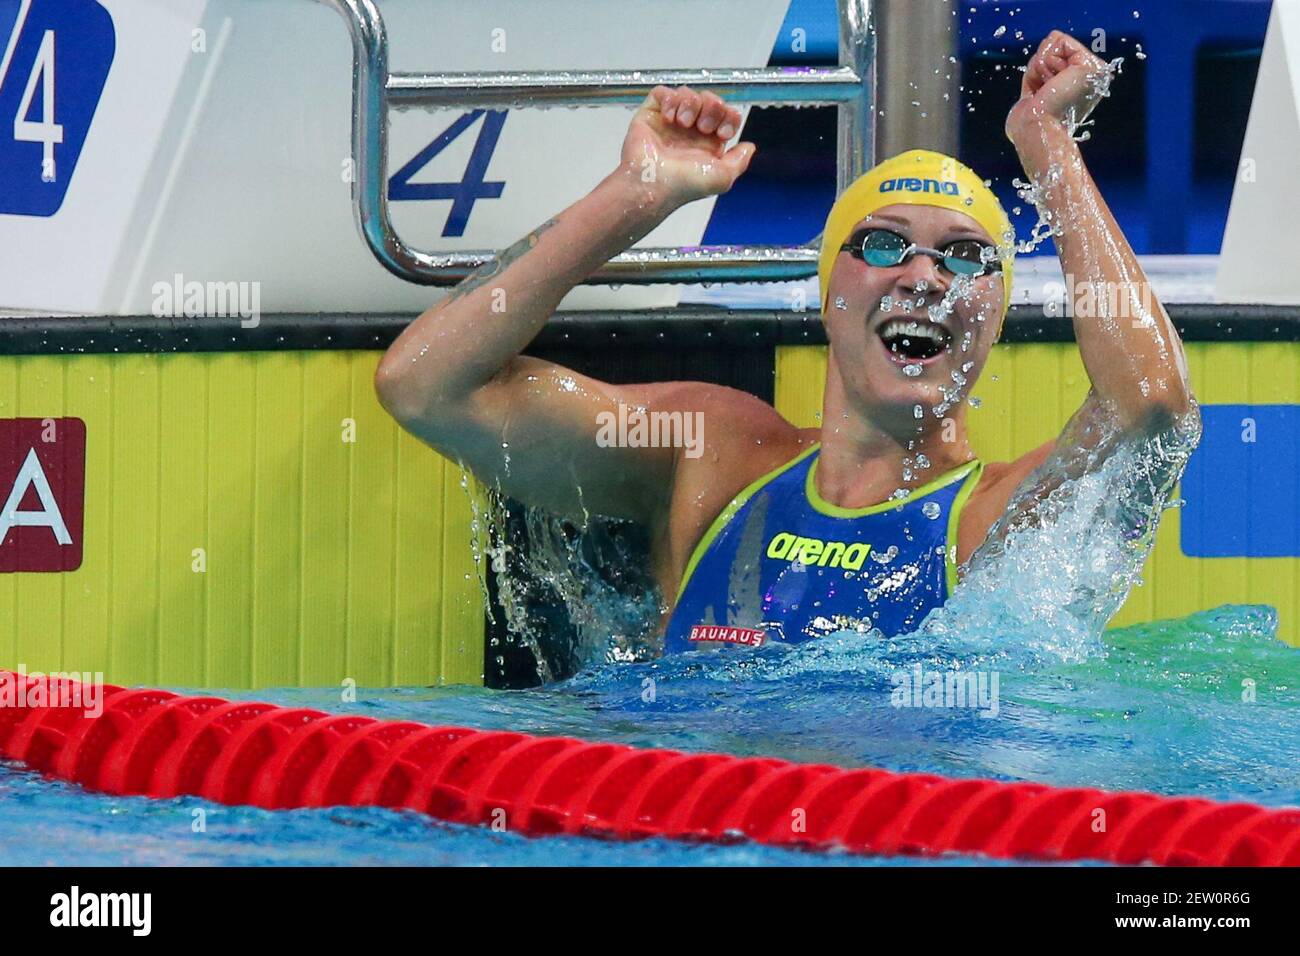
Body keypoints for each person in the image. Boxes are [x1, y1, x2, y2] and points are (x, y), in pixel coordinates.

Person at [375, 32, 1196, 653]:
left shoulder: (992, 520)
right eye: (879, 244)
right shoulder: (713, 457)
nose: (923, 276)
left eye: (967, 257)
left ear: (993, 315)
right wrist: (636, 195)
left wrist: (1048, 146)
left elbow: (1152, 406)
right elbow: (427, 385)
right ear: (826, 296)